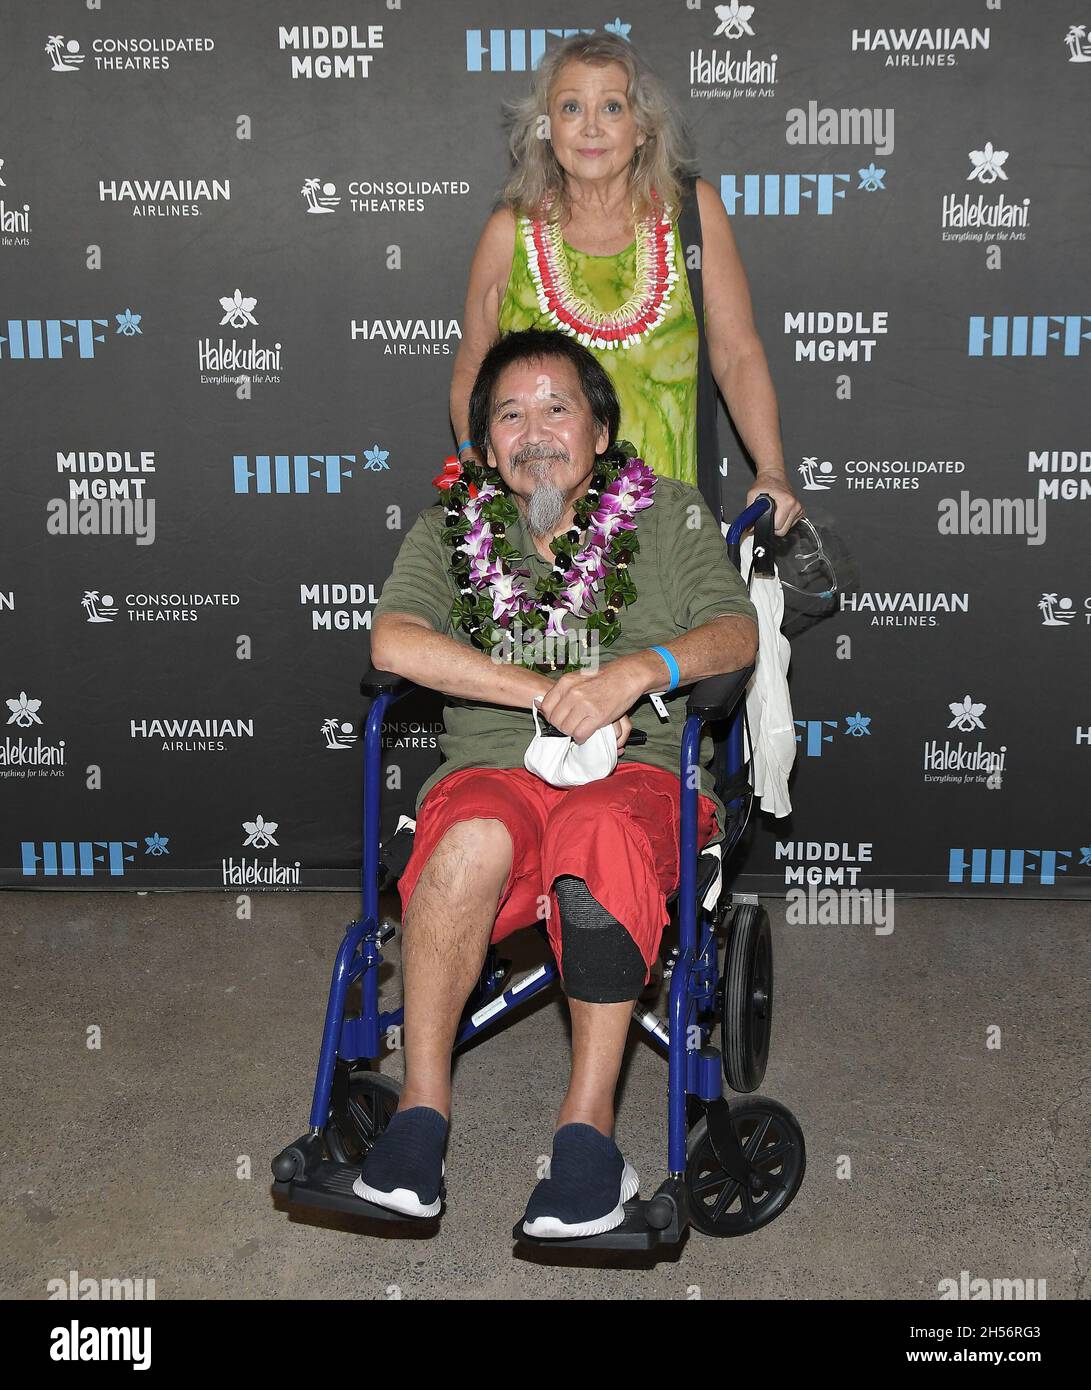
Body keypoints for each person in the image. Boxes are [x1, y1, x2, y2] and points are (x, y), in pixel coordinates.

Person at [359, 328, 758, 1238]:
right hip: (491, 771)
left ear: (602, 428)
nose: (532, 430)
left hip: (631, 775)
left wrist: (637, 670)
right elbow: (394, 642)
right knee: (467, 839)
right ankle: (420, 1115)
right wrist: (545, 691)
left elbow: (734, 634)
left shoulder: (668, 514)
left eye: (555, 407)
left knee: (598, 838)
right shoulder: (452, 527)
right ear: (484, 442)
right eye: (508, 413)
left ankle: (588, 1142)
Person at [450, 30, 803, 534]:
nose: (591, 128)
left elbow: (737, 354)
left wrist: (771, 470)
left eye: (612, 108)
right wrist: (474, 462)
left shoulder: (692, 215)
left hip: (672, 535)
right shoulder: (510, 232)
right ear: (547, 128)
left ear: (642, 128)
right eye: (571, 108)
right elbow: (473, 366)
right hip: (543, 534)